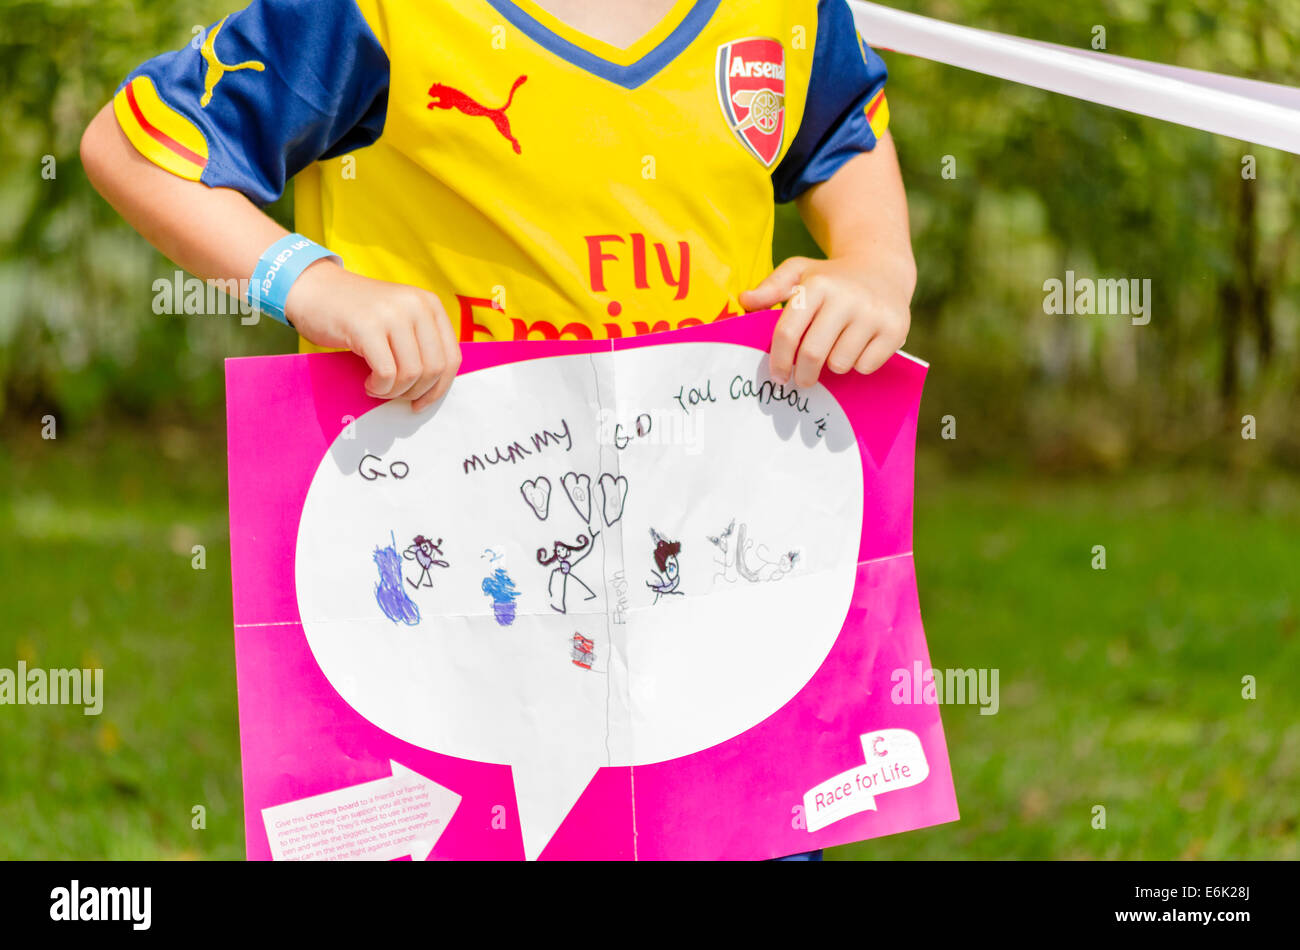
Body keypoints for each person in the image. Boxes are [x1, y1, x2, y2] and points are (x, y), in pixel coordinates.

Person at [81, 0, 917, 860]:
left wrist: (876, 263)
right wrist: (312, 281)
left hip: (706, 589)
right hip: (450, 602)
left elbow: (844, 130)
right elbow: (133, 147)